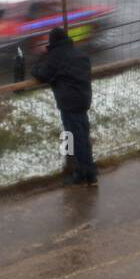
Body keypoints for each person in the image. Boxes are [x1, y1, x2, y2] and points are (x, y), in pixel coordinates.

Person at [32, 27, 98, 186]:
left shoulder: (56, 56)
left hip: (69, 103)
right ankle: (82, 171)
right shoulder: (79, 53)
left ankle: (87, 175)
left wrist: (39, 62)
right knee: (81, 135)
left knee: (76, 138)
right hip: (83, 100)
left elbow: (42, 75)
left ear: (52, 41)